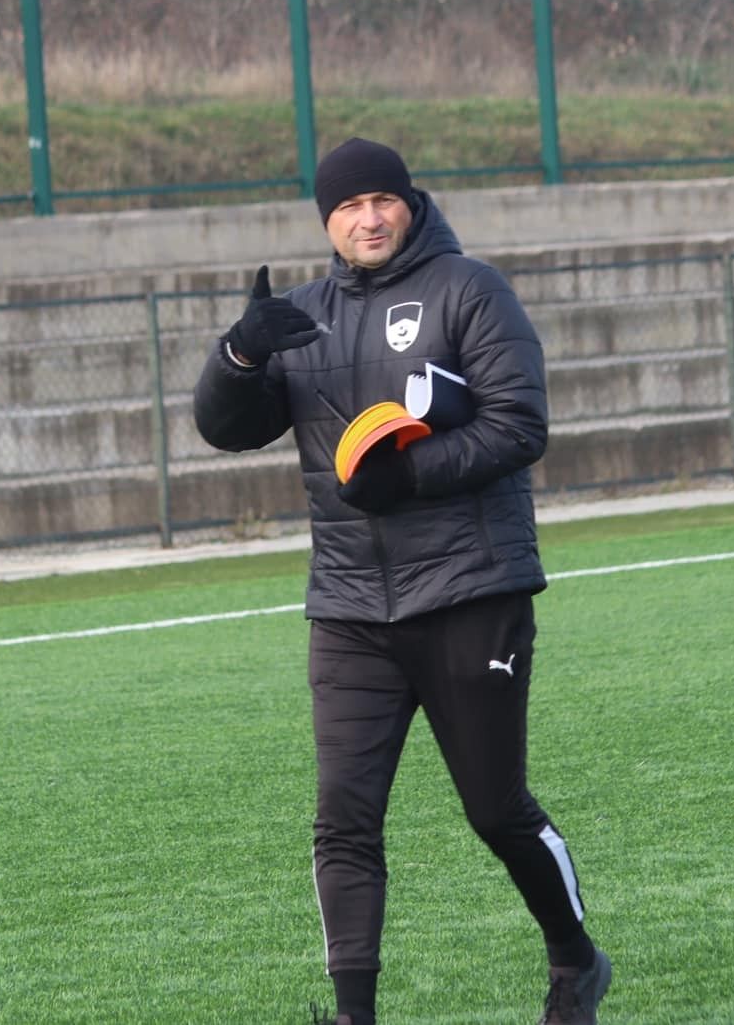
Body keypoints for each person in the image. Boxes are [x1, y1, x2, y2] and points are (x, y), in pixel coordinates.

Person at [192, 138, 610, 1025]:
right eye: (348, 207)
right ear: (327, 222)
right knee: (343, 820)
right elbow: (227, 430)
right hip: (350, 609)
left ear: (410, 204)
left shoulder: (471, 290)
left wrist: (407, 476)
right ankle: (354, 1015)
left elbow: (519, 425)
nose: (369, 218)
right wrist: (237, 355)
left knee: (495, 811)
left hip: (470, 592)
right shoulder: (302, 318)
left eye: (383, 199)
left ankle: (576, 961)